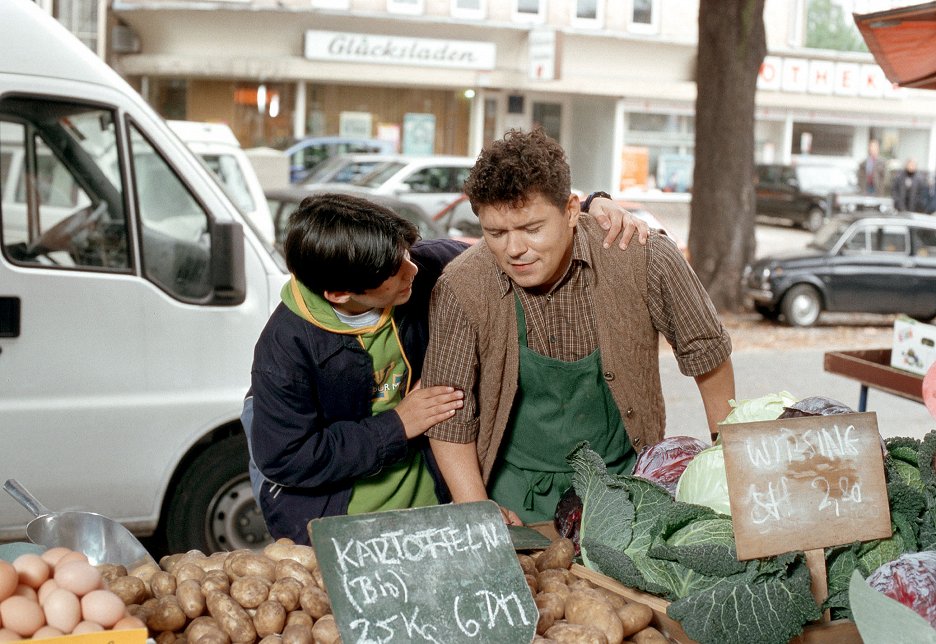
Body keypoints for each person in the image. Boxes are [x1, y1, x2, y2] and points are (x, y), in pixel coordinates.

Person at [242, 191, 649, 544]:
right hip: (340, 509)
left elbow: (511, 237)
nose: (412, 270)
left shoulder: (427, 269)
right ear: (339, 293)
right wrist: (398, 424)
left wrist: (593, 207)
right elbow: (287, 459)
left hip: (433, 491)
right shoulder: (285, 350)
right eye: (392, 271)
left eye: (405, 253)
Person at [421, 128, 735, 526]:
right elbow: (449, 416)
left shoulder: (642, 257)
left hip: (627, 487)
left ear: (571, 210)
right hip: (516, 496)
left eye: (532, 229)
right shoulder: (462, 287)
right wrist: (475, 507)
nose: (514, 249)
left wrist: (727, 462)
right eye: (495, 233)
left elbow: (707, 354)